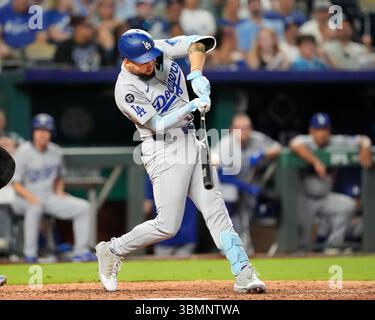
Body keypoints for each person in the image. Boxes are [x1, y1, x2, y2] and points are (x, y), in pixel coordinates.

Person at [95, 29, 266, 294]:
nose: (150, 62)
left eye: (151, 56)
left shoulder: (155, 50)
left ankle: (244, 272)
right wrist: (189, 107)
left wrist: (196, 73)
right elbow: (158, 124)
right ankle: (112, 250)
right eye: (143, 60)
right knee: (167, 225)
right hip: (163, 149)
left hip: (192, 143)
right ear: (127, 61)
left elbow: (198, 43)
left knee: (216, 210)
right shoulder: (125, 90)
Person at [11, 113, 95, 263]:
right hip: (23, 199)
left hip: (48, 197)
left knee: (83, 207)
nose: (42, 134)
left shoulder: (56, 151)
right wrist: (31, 197)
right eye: (39, 130)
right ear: (34, 132)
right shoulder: (23, 152)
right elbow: (15, 184)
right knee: (35, 207)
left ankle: (80, 251)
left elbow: (60, 176)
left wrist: (59, 191)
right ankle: (30, 254)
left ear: (51, 133)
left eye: (46, 131)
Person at [289, 112, 373, 254]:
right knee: (303, 242)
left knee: (348, 205)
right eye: (318, 129)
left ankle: (333, 247)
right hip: (305, 199)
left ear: (329, 131)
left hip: (326, 197)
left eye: (325, 129)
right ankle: (298, 265)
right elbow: (294, 144)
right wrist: (315, 161)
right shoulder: (306, 141)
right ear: (311, 131)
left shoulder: (336, 141)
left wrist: (365, 148)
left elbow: (364, 139)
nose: (322, 133)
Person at [212, 113, 281, 255]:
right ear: (232, 130)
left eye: (247, 128)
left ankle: (243, 251)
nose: (244, 131)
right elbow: (222, 175)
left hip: (246, 185)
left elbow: (278, 148)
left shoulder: (257, 138)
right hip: (224, 187)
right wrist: (247, 187)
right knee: (231, 216)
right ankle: (226, 251)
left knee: (246, 219)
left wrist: (263, 153)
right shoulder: (225, 146)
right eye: (239, 128)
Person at [144, 176, 197, 257]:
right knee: (183, 269)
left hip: (163, 235)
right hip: (186, 234)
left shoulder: (154, 172)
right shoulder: (191, 172)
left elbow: (147, 208)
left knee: (163, 269)